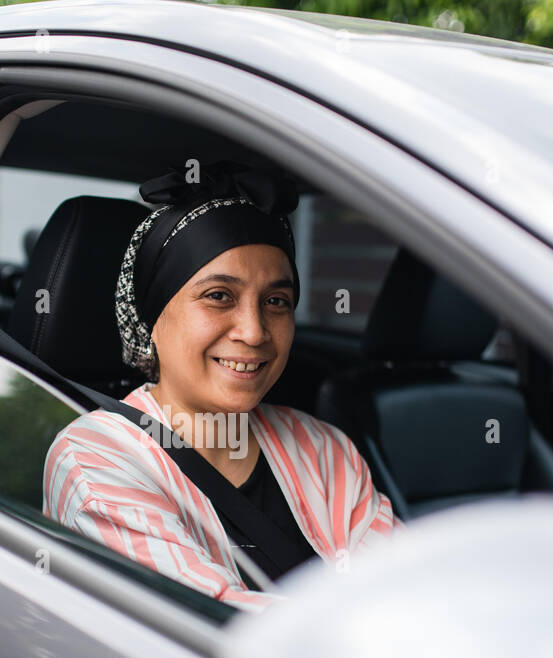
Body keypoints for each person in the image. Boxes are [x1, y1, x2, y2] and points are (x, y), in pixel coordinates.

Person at [43, 162, 399, 611]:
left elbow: (402, 595)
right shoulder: (94, 460)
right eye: (219, 296)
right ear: (152, 318)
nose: (254, 332)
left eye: (276, 302)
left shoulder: (323, 448)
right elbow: (210, 628)